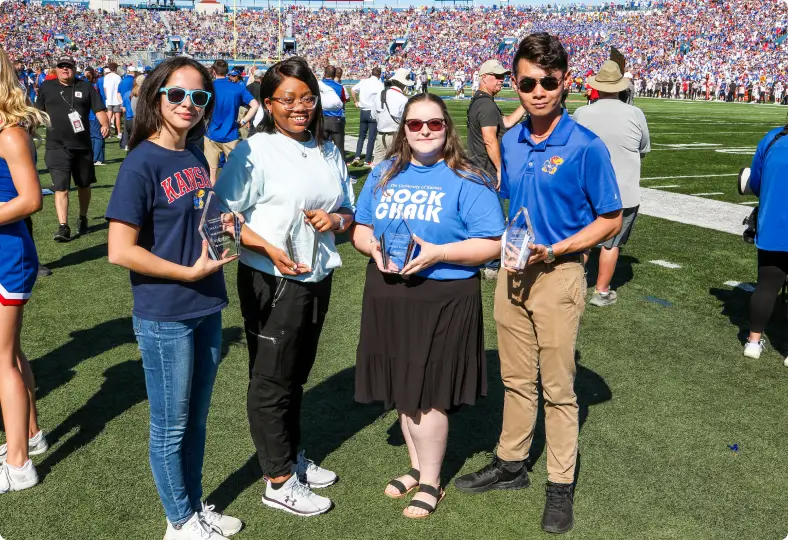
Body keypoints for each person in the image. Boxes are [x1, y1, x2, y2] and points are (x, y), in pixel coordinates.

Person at [454, 33, 623, 535]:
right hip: (512, 271)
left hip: (557, 273)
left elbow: (610, 219)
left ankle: (559, 483)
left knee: (558, 388)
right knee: (515, 378)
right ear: (516, 83)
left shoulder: (585, 146)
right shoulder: (511, 140)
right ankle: (511, 463)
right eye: (528, 83)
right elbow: (503, 200)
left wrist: (556, 248)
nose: (538, 92)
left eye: (548, 82)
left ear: (565, 81)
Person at [106, 57, 243, 540]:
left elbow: (194, 220)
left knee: (196, 422)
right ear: (156, 97)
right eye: (178, 94)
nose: (189, 104)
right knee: (170, 426)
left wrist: (223, 227)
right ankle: (179, 522)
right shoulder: (141, 162)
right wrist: (186, 272)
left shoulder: (194, 155)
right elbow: (120, 251)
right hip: (166, 312)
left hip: (206, 303)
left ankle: (192, 507)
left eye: (199, 96)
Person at [214, 56, 355, 518]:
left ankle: (291, 457)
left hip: (317, 274)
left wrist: (335, 220)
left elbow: (348, 209)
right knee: (271, 379)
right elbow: (220, 216)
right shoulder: (255, 150)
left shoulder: (327, 148)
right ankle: (277, 480)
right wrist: (268, 248)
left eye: (307, 97)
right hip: (271, 278)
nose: (299, 107)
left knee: (295, 374)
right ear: (268, 104)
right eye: (287, 99)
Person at [352, 93, 504, 519]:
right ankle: (418, 468)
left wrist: (440, 253)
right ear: (404, 129)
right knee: (404, 386)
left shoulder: (468, 177)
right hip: (388, 289)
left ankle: (432, 482)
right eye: (414, 123)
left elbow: (492, 243)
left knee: (427, 393)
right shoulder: (384, 171)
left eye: (434, 123)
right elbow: (361, 228)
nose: (424, 131)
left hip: (442, 295)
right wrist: (373, 249)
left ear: (446, 127)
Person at [0, 47, 48, 495]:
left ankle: (18, 464)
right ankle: (30, 435)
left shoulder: (10, 133)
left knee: (1, 358)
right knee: (10, 352)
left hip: (7, 254)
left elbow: (31, 200)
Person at [573, 60, 651, 307]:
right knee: (611, 243)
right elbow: (644, 148)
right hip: (622, 189)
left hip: (587, 189)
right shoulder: (635, 113)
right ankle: (601, 291)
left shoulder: (582, 113)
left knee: (583, 242)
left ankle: (572, 286)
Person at [35, 55, 109, 242]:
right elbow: (38, 111)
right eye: (61, 66)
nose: (65, 69)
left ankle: (83, 217)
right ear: (56, 69)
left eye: (68, 66)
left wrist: (105, 124)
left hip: (82, 146)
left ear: (74, 68)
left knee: (84, 184)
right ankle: (63, 226)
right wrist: (30, 127)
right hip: (56, 146)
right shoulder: (47, 87)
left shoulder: (85, 86)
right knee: (61, 187)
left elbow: (98, 108)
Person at [466, 59, 525, 280]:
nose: (501, 80)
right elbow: (490, 139)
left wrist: (525, 105)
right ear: (484, 78)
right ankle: (491, 263)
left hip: (478, 165)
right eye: (497, 76)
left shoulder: (481, 101)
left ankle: (483, 258)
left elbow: (506, 123)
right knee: (495, 217)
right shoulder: (487, 105)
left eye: (502, 76)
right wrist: (500, 169)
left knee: (484, 213)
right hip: (487, 167)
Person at [741, 124, 788, 364]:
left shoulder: (773, 138)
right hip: (773, 225)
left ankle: (753, 341)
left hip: (772, 225)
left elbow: (756, 182)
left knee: (767, 285)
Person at [204, 59, 259, 185]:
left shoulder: (209, 87)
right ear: (227, 71)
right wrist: (243, 121)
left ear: (213, 71)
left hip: (211, 134)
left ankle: (213, 195)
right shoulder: (237, 87)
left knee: (212, 172)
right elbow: (255, 105)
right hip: (231, 134)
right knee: (233, 172)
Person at [371, 68, 412, 165]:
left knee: (377, 166)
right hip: (396, 136)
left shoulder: (380, 94)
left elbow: (373, 115)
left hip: (381, 135)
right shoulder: (403, 99)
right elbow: (406, 120)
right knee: (396, 165)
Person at [351, 67, 383, 167]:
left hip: (363, 111)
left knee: (361, 136)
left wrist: (355, 101)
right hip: (373, 112)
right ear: (379, 75)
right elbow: (381, 98)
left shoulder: (364, 81)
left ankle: (357, 156)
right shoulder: (379, 84)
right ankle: (367, 159)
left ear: (371, 73)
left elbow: (353, 90)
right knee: (371, 138)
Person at [321, 65, 348, 155]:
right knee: (340, 149)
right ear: (334, 74)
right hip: (336, 119)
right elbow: (344, 100)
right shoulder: (340, 87)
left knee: (322, 149)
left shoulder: (318, 84)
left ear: (324, 73)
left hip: (322, 119)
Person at [84, 68, 107, 165]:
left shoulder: (86, 86)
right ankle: (95, 158)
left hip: (88, 115)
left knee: (93, 137)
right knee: (98, 137)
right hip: (94, 114)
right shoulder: (93, 87)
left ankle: (98, 158)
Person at [102, 61, 122, 137]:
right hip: (116, 99)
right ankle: (119, 133)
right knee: (117, 117)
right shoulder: (118, 77)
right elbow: (119, 88)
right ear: (116, 68)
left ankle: (109, 132)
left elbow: (105, 88)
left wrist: (107, 97)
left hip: (109, 99)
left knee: (109, 117)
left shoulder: (106, 77)